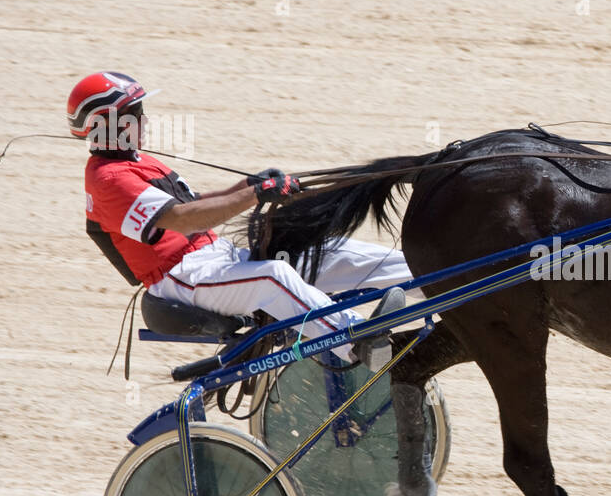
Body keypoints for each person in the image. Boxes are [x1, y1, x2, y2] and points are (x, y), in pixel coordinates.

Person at [72, 70, 410, 365]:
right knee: (273, 277)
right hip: (182, 279)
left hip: (213, 260)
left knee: (323, 252)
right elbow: (184, 218)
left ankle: (430, 278)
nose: (143, 120)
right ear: (104, 124)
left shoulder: (136, 162)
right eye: (134, 114)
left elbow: (195, 203)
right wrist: (255, 194)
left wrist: (248, 184)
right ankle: (358, 342)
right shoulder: (109, 179)